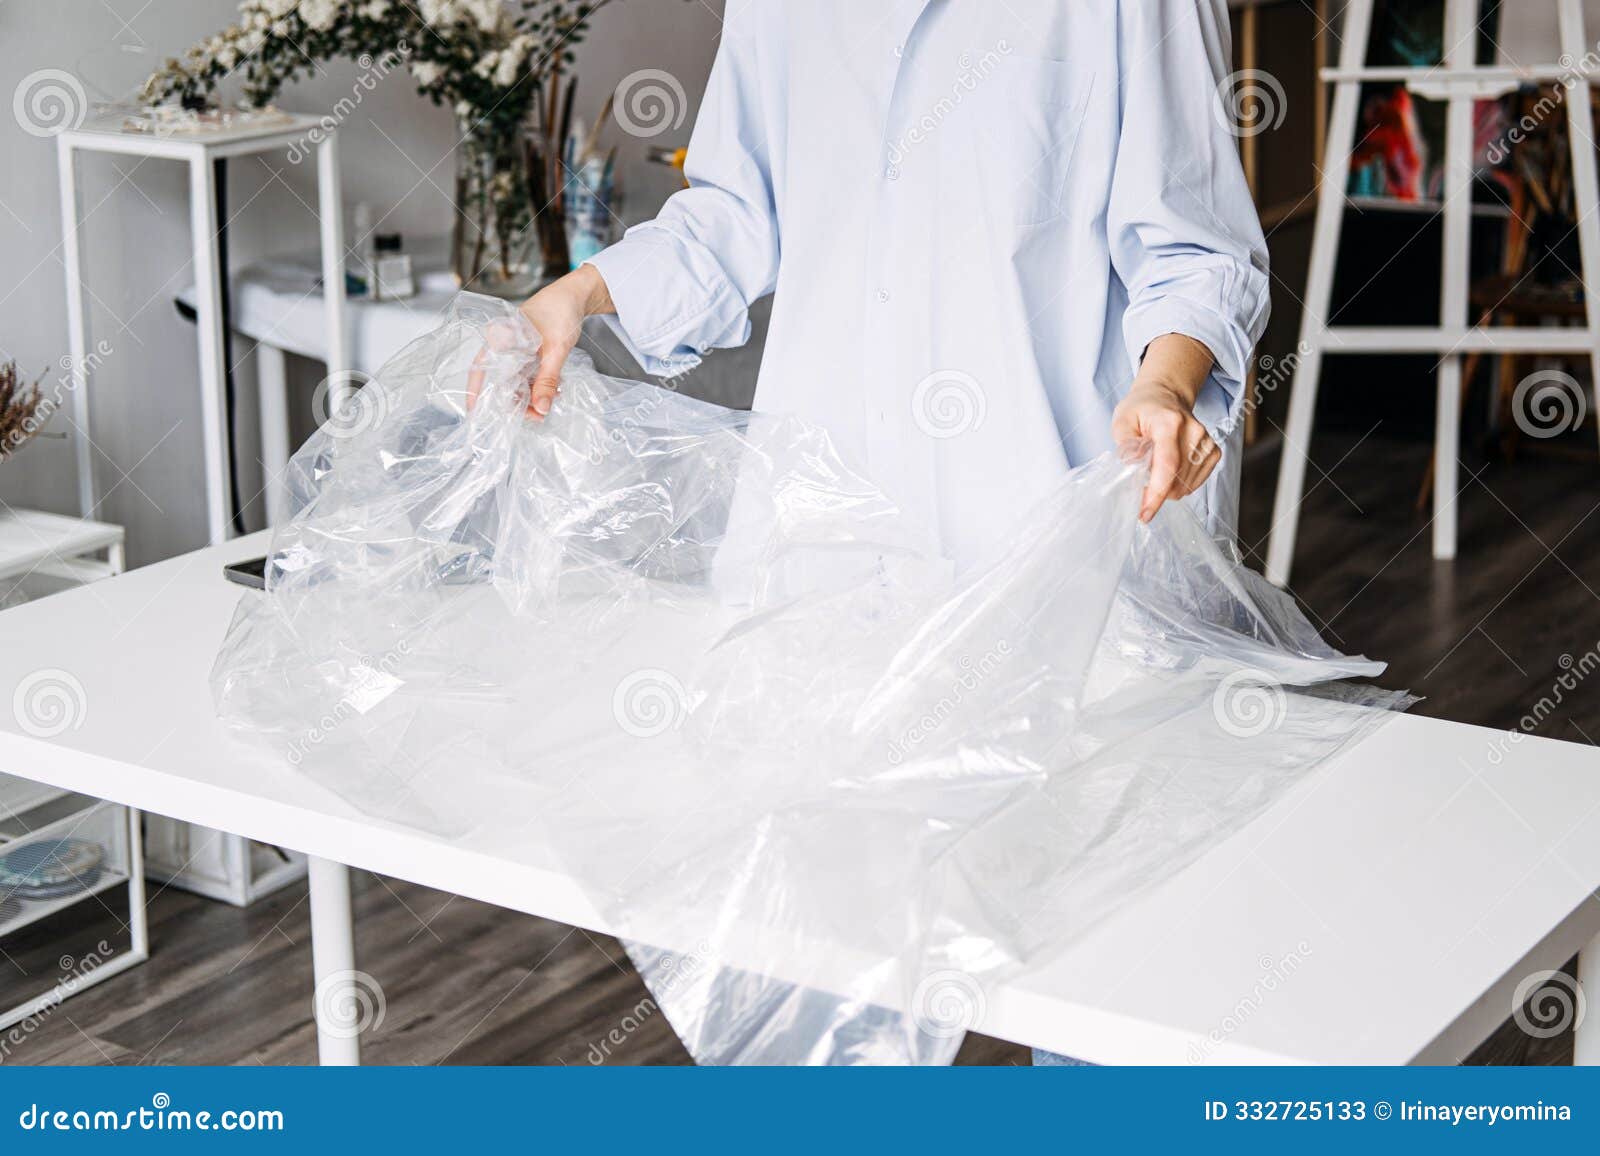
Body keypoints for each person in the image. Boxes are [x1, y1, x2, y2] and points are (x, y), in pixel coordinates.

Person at [518, 0, 1269, 1062]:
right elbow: (735, 212)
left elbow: (1195, 247)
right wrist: (585, 291)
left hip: (1056, 563)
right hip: (826, 561)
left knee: (1098, 978)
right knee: (816, 971)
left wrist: (1166, 378)